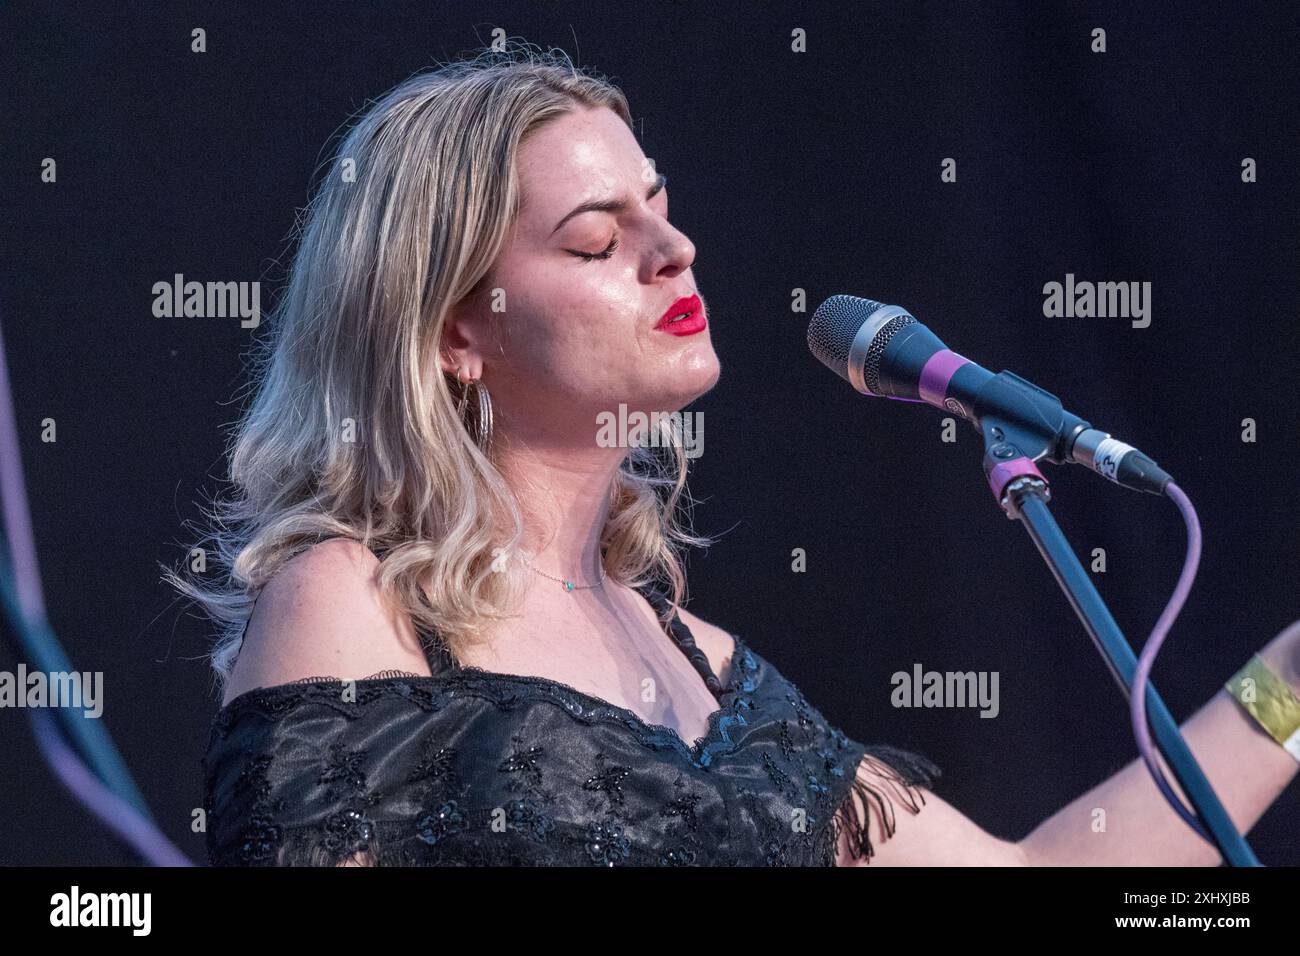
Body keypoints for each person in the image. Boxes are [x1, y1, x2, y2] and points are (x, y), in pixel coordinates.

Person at [172, 42, 1300, 867]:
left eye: (661, 208)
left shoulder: (709, 666)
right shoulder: (354, 600)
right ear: (458, 331)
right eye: (598, 238)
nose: (674, 250)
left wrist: (1290, 687)